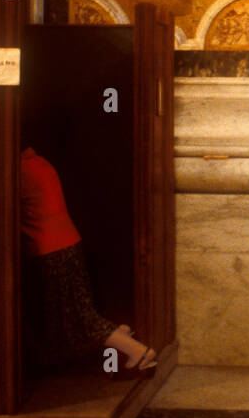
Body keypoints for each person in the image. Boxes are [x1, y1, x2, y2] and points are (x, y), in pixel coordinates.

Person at [20, 147, 157, 375]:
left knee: (76, 318)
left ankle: (136, 350)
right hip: (69, 243)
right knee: (76, 312)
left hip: (49, 250)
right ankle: (119, 334)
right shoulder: (40, 162)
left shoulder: (20, 170)